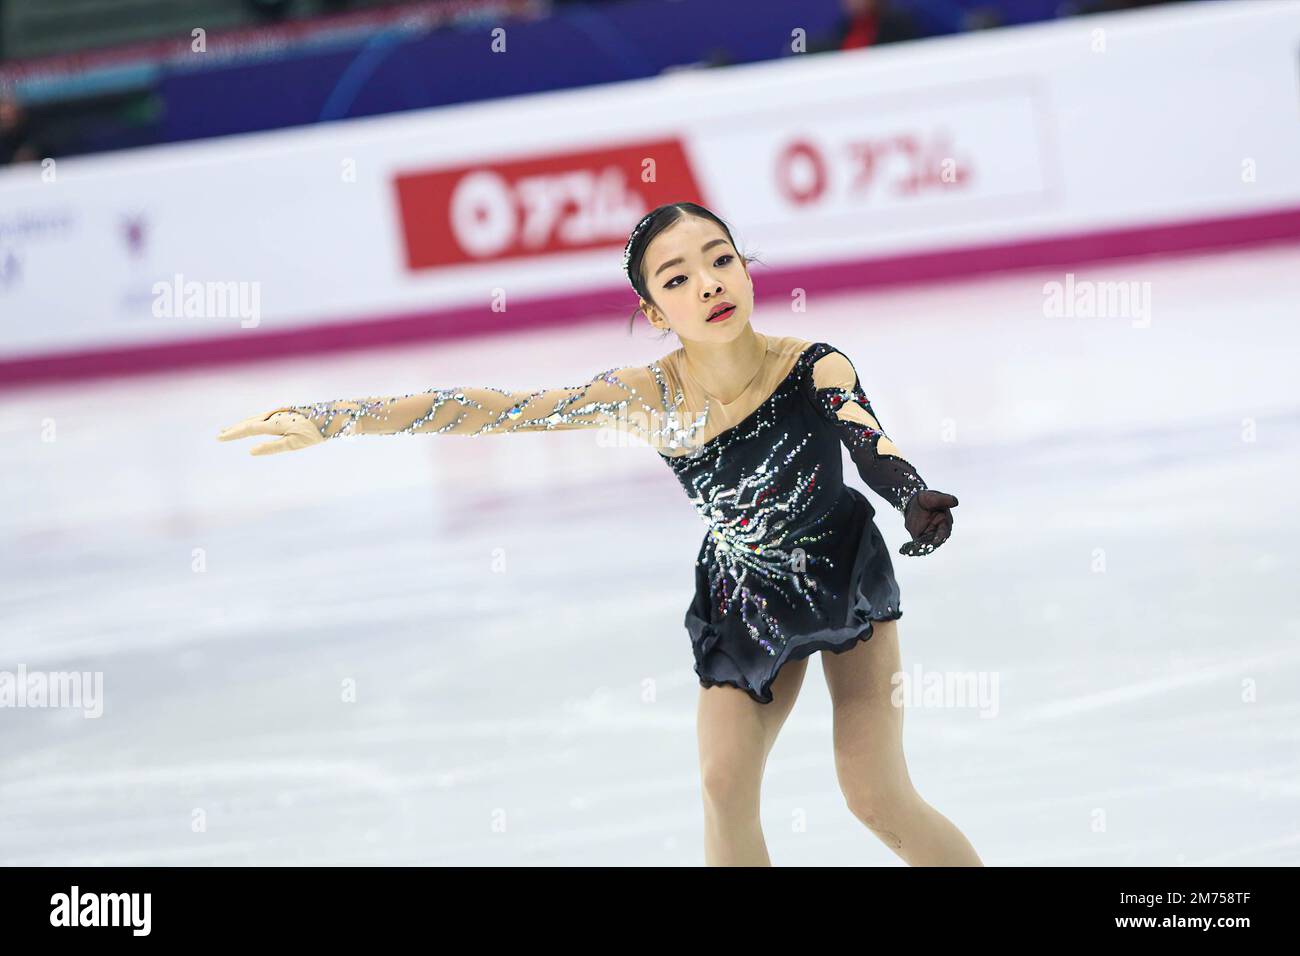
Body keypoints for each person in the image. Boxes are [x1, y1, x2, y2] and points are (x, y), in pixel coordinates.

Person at [217, 201, 981, 866]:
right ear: (654, 312)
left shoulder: (812, 366)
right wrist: (333, 418)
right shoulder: (649, 397)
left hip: (839, 569)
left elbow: (868, 440)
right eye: (677, 278)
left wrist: (913, 497)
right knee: (722, 786)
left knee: (874, 794)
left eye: (721, 260)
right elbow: (496, 407)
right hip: (745, 592)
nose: (709, 283)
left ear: (746, 271)